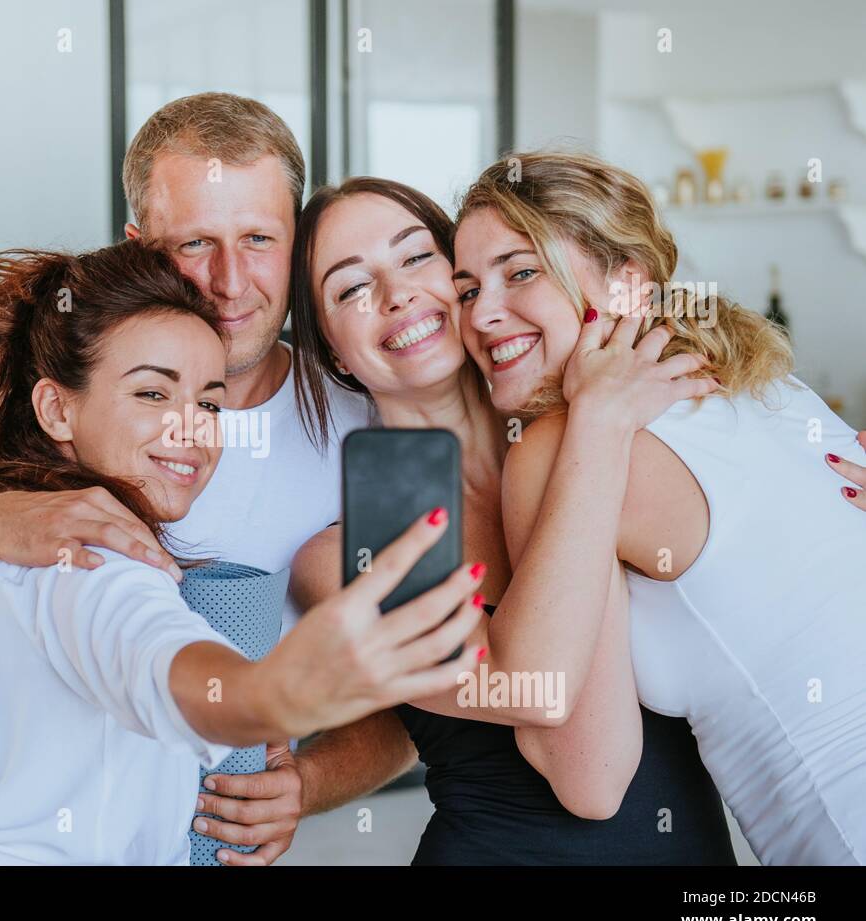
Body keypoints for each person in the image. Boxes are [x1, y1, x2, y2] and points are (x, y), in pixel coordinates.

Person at [0, 93, 376, 864]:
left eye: (258, 238)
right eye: (194, 242)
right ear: (140, 245)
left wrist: (308, 780)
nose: (228, 279)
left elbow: (414, 702)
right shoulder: (53, 402)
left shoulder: (364, 429)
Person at [0, 240, 483, 865]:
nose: (190, 429)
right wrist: (270, 695)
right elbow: (157, 655)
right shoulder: (89, 564)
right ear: (56, 408)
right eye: (152, 394)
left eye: (207, 402)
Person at [286, 176, 737, 864]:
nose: (397, 293)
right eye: (350, 288)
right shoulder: (349, 555)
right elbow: (541, 702)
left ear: (466, 281)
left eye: (416, 258)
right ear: (335, 353)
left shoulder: (612, 416)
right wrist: (596, 426)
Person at [451, 151, 866, 864]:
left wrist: (595, 423)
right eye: (464, 290)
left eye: (521, 271)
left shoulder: (561, 447)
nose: (482, 313)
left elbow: (589, 774)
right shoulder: (768, 384)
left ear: (627, 285)